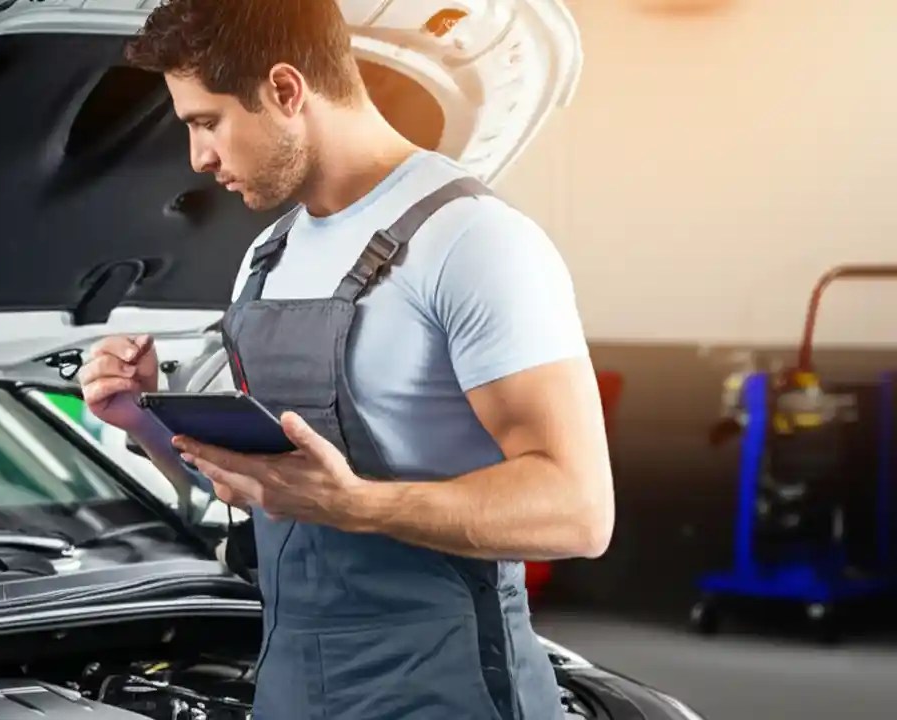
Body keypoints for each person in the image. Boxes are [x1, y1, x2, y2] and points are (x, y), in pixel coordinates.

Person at [77, 1, 615, 718]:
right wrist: (141, 418)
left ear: (286, 90)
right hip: (295, 686)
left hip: (447, 691)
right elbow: (255, 492)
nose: (198, 159)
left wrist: (357, 505)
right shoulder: (268, 258)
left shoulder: (475, 243)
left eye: (206, 122)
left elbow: (578, 511)